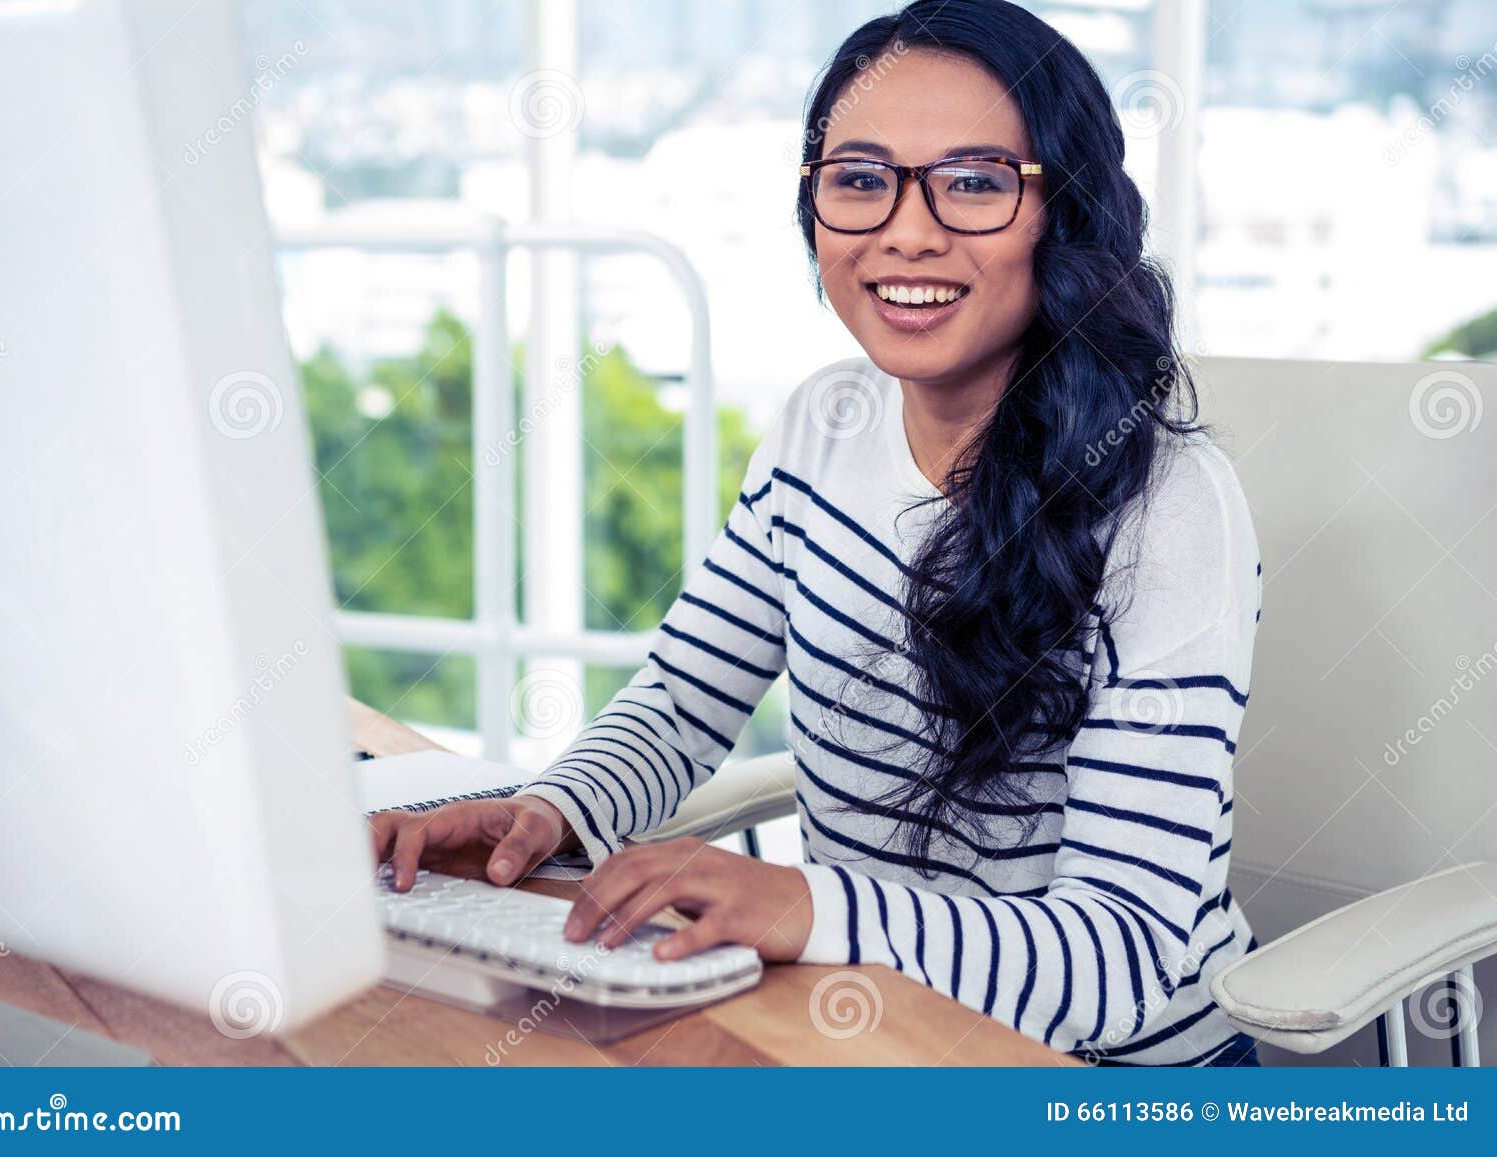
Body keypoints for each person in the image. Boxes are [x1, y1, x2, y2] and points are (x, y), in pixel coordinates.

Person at [370, 0, 1263, 1066]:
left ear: (1061, 213)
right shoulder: (821, 423)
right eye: (859, 178)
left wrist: (806, 904)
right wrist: (547, 811)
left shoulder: (1170, 504)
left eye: (974, 182)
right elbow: (679, 703)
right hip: (864, 1030)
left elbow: (1119, 962)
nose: (906, 229)